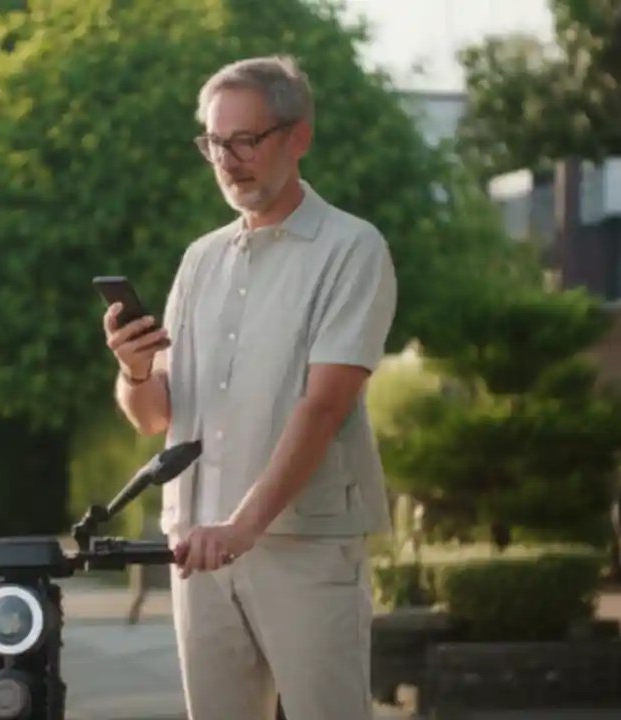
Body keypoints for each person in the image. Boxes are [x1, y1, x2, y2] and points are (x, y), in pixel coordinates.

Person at [101, 54, 397, 720]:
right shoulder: (200, 259)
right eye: (214, 143)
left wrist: (243, 527)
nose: (228, 160)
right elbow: (155, 419)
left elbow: (323, 408)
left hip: (307, 549)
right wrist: (134, 369)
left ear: (299, 137)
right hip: (200, 551)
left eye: (245, 140)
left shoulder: (352, 248)